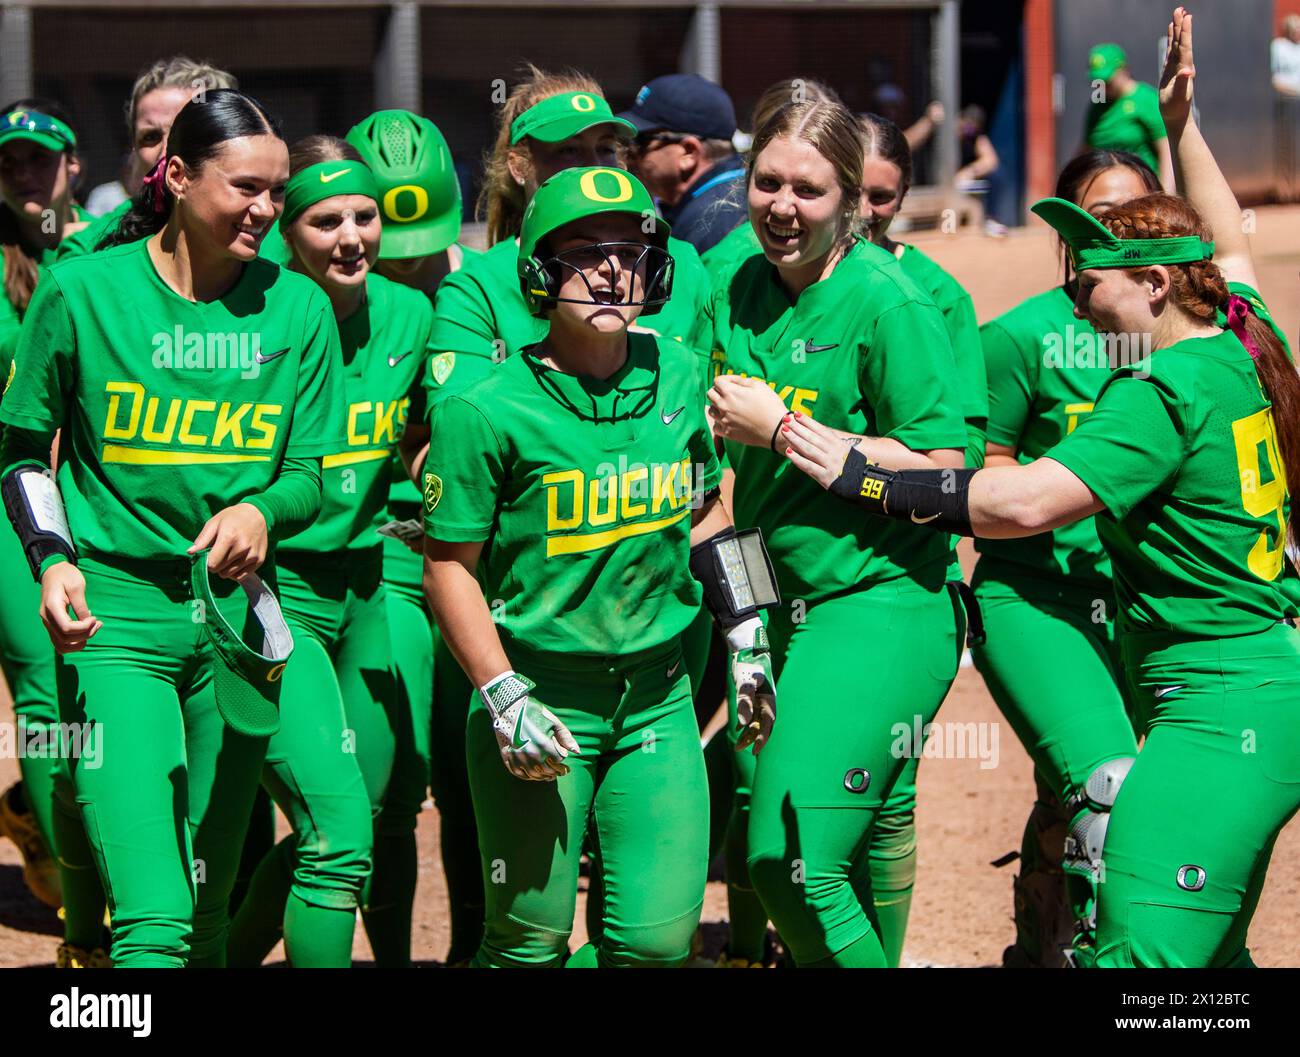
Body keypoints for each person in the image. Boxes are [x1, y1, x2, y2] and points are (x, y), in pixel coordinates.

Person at [780, 7, 1300, 969]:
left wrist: (862, 471)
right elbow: (1228, 238)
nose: (1077, 300)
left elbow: (1020, 505)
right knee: (1211, 967)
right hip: (1255, 684)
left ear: (1149, 284)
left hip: (1213, 704)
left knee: (1136, 958)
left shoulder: (1162, 389)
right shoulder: (1238, 334)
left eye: (1093, 280)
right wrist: (1182, 125)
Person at [0, 88, 345, 968]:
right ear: (178, 176)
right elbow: (20, 452)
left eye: (277, 191)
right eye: (246, 188)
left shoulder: (298, 309)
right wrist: (50, 559)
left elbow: (309, 477)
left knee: (208, 909)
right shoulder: (82, 292)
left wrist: (260, 509)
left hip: (239, 626)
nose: (268, 210)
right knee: (153, 914)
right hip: (116, 627)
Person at [422, 166, 777, 968]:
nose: (611, 269)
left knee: (655, 944)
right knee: (526, 944)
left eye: (627, 250)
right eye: (583, 251)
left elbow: (708, 508)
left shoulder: (681, 373)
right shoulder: (483, 407)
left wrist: (750, 630)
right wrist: (499, 689)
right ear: (535, 270)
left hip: (659, 695)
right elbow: (446, 567)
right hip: (539, 692)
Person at [700, 91, 968, 968]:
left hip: (880, 603)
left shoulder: (887, 303)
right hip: (780, 599)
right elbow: (715, 483)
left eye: (808, 191)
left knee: (792, 862)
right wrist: (743, 615)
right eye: (766, 182)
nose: (782, 206)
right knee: (858, 824)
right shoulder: (731, 283)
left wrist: (787, 430)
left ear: (852, 201)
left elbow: (944, 469)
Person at [225, 138, 431, 968]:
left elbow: (420, 432)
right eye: (325, 220)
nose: (352, 236)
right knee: (332, 828)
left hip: (370, 593)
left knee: (378, 818)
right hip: (276, 598)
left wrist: (432, 463)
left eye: (365, 215)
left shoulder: (411, 316)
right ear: (284, 229)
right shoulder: (252, 318)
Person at [974, 148, 1159, 968]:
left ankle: (1038, 929)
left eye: (1136, 217)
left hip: (1151, 607)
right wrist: (1067, 495)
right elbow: (982, 476)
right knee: (1109, 790)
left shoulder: (1190, 337)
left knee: (1095, 789)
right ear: (1067, 233)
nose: (1116, 234)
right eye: (1098, 218)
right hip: (1040, 599)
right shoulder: (1020, 337)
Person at [854, 109, 988, 966]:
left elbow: (960, 460)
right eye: (854, 190)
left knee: (887, 790)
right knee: (767, 782)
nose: (867, 211)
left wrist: (835, 456)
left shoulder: (935, 297)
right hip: (782, 570)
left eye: (884, 196)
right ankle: (752, 947)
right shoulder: (751, 278)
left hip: (900, 573)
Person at [345, 109, 474, 966]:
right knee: (385, 783)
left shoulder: (487, 285)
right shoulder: (315, 288)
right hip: (382, 550)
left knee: (476, 779)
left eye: (421, 245)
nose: (404, 266)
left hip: (477, 552)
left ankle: (475, 956)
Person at [0, 99, 88, 920]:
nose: (26, 173)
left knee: (57, 688)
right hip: (9, 495)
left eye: (41, 158)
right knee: (42, 688)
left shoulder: (100, 253)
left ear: (73, 167)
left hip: (66, 499)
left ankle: (56, 830)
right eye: (12, 161)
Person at [57, 56, 238, 259]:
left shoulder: (270, 229)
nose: (166, 152)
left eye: (188, 131)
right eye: (150, 137)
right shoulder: (89, 250)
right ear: (133, 150)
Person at [619, 73, 746, 255]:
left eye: (641, 142)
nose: (630, 154)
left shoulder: (710, 222)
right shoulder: (731, 195)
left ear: (688, 152)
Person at [1083, 43, 1174, 191]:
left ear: (1123, 70)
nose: (1103, 85)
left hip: (1142, 188)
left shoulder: (1145, 99)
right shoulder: (1097, 105)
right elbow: (1086, 147)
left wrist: (1166, 195)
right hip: (1106, 187)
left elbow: (1166, 149)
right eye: (1098, 81)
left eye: (1108, 80)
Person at [1271, 15, 1300, 96]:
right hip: (1283, 93)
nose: (1298, 31)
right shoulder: (1278, 45)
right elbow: (1272, 77)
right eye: (1295, 28)